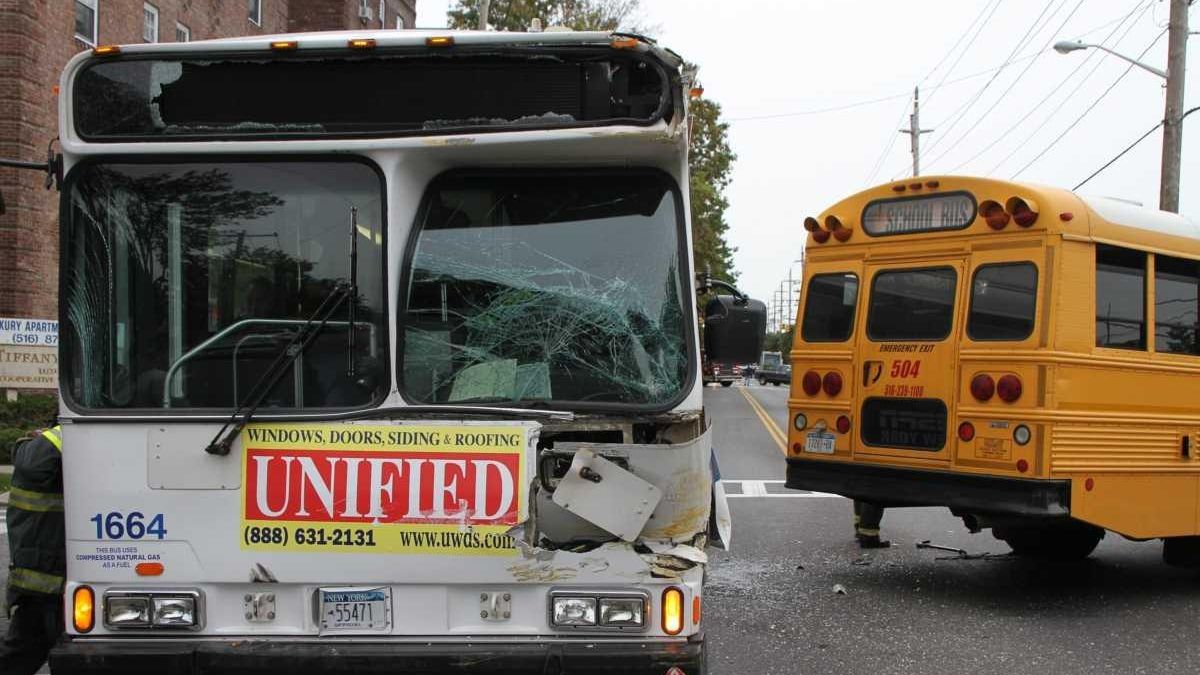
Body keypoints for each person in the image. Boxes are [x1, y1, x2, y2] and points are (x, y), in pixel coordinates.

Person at [1, 425, 65, 675]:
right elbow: (32, 464)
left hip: (49, 578)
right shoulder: (45, 452)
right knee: (19, 655)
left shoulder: (48, 455)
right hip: (42, 581)